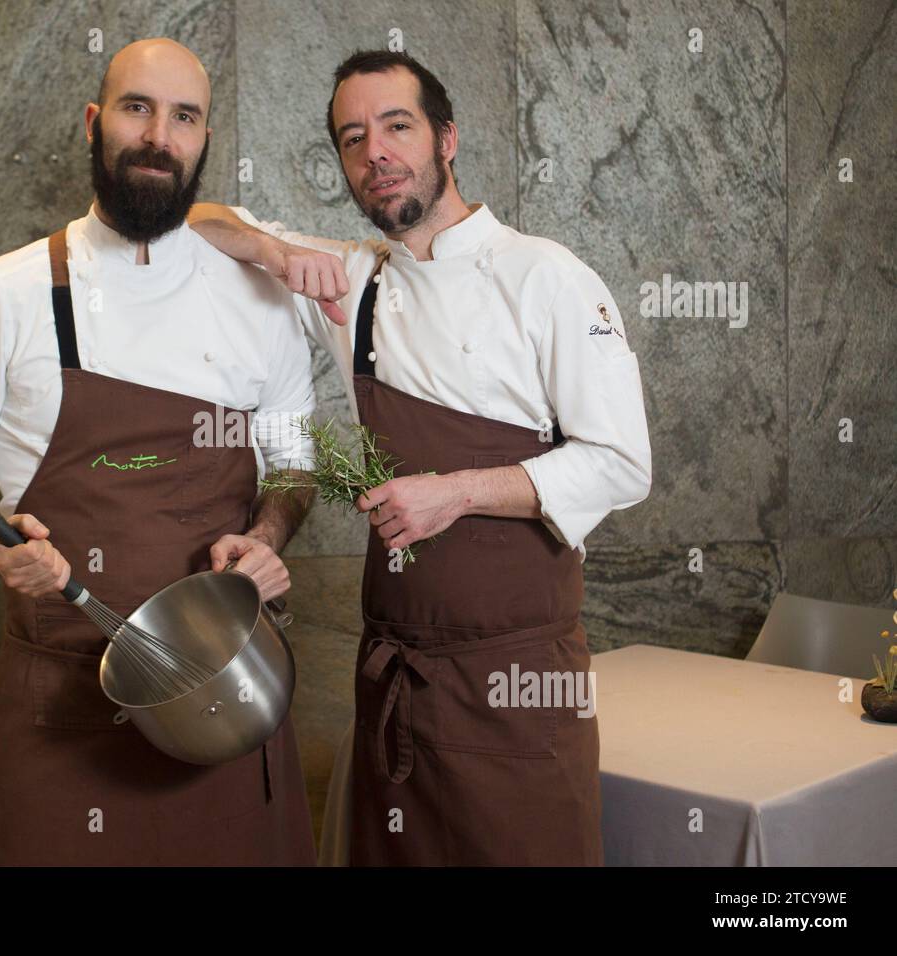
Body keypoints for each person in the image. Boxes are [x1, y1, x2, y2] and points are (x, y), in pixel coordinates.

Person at [189, 49, 652, 865]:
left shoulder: (547, 277)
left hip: (520, 685)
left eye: (397, 126)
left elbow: (621, 463)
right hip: (396, 676)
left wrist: (458, 492)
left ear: (447, 139)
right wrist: (270, 251)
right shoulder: (353, 283)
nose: (376, 153)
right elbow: (198, 220)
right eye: (352, 137)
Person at [0, 38, 318, 866]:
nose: (160, 135)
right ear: (95, 122)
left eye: (184, 116)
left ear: (203, 139)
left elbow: (293, 461)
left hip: (228, 703)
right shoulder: (6, 293)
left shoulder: (260, 300)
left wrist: (264, 544)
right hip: (66, 714)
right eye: (137, 108)